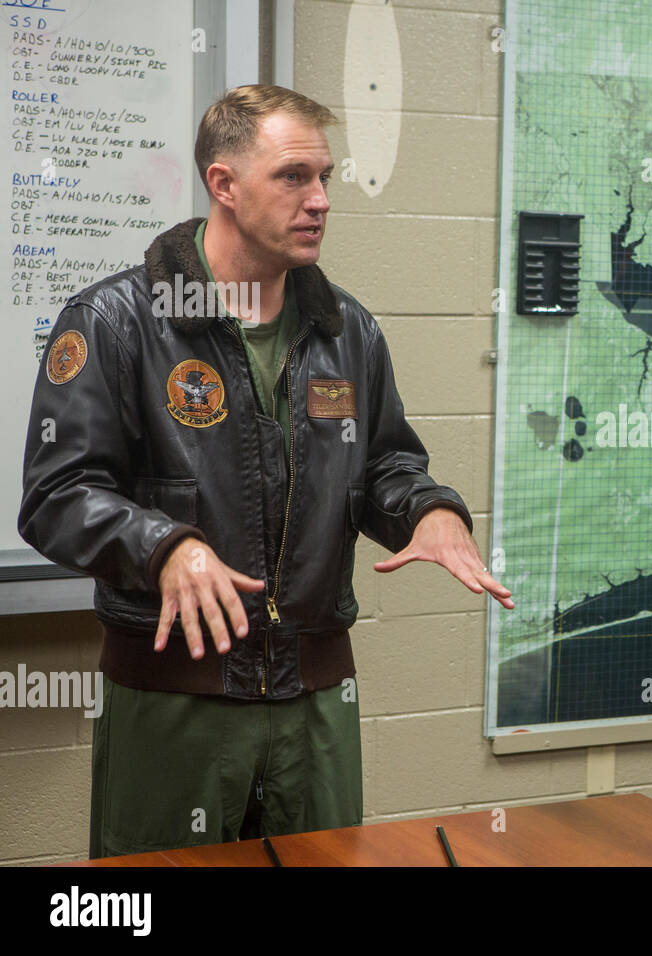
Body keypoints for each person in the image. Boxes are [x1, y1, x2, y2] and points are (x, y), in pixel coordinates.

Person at [19, 85, 513, 858]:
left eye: (324, 178)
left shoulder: (348, 330)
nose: (319, 200)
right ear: (224, 184)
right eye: (293, 177)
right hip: (174, 700)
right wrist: (164, 546)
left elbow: (386, 460)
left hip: (313, 700)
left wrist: (429, 510)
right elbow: (57, 494)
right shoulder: (113, 323)